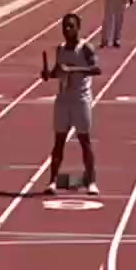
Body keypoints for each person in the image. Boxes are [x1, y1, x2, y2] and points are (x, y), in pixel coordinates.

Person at [42, 12, 99, 196]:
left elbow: (96, 69)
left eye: (71, 26)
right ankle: (52, 182)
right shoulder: (60, 49)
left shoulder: (86, 48)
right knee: (58, 141)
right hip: (63, 99)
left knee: (85, 141)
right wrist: (48, 75)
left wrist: (73, 70)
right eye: (65, 26)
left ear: (78, 27)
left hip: (81, 99)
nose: (67, 30)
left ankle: (91, 181)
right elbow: (57, 72)